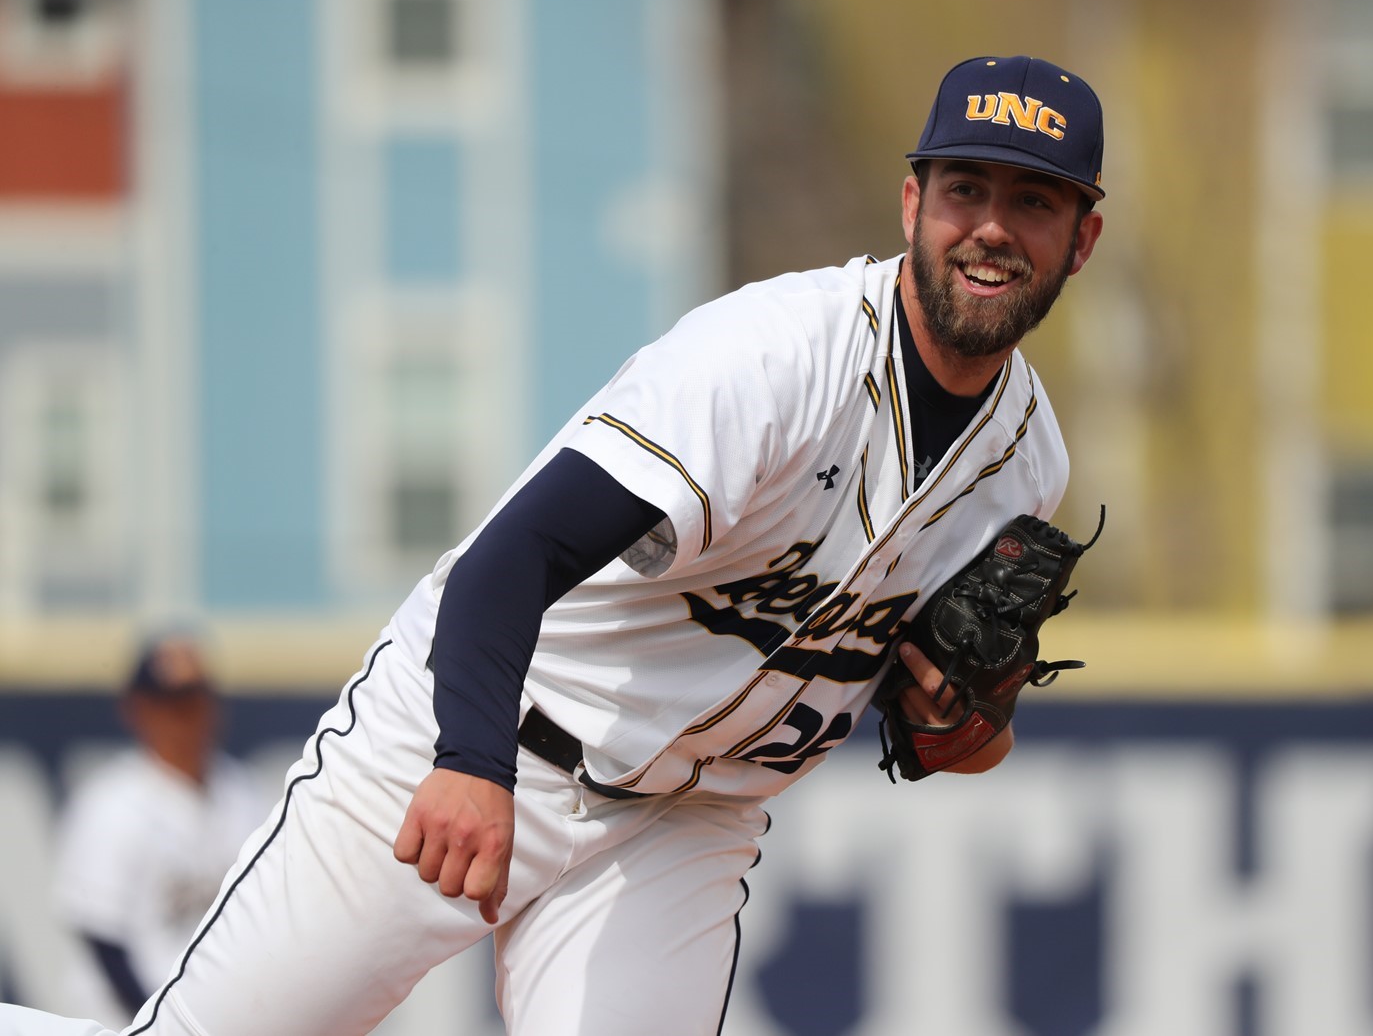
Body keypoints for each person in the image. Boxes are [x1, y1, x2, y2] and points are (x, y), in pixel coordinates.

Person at [0, 53, 1106, 1036]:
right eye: (965, 188)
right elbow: (505, 560)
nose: (993, 225)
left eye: (1033, 199)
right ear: (913, 200)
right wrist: (470, 761)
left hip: (683, 817)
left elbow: (932, 701)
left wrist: (971, 720)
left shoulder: (1029, 463)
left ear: (1082, 237)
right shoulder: (770, 359)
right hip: (477, 730)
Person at [51, 636, 265, 1027]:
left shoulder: (244, 794)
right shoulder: (110, 803)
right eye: (169, 704)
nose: (184, 717)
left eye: (193, 700)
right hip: (121, 1024)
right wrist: (162, 1025)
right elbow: (104, 945)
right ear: (137, 709)